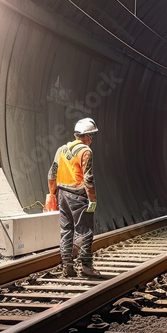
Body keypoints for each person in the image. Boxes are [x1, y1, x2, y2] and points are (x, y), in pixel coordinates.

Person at [47, 118, 103, 278]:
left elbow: (52, 173)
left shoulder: (61, 150)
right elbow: (88, 178)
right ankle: (86, 266)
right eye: (90, 136)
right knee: (85, 230)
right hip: (78, 194)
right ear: (84, 136)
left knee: (66, 230)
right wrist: (92, 199)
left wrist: (53, 193)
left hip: (62, 194)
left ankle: (67, 266)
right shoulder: (85, 152)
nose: (91, 139)